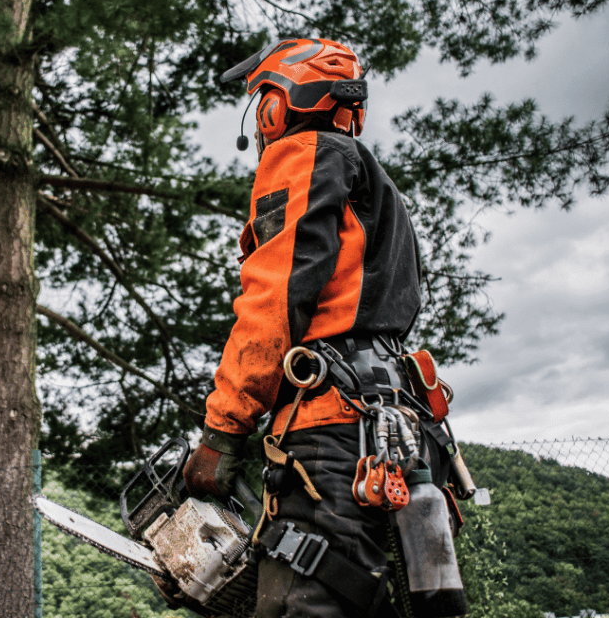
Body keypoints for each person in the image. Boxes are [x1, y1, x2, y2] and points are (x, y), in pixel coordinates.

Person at [183, 38, 459, 618]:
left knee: (303, 604)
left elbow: (275, 299)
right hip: (398, 430)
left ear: (276, 104)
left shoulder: (302, 153)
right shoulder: (379, 190)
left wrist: (222, 429)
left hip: (331, 434)